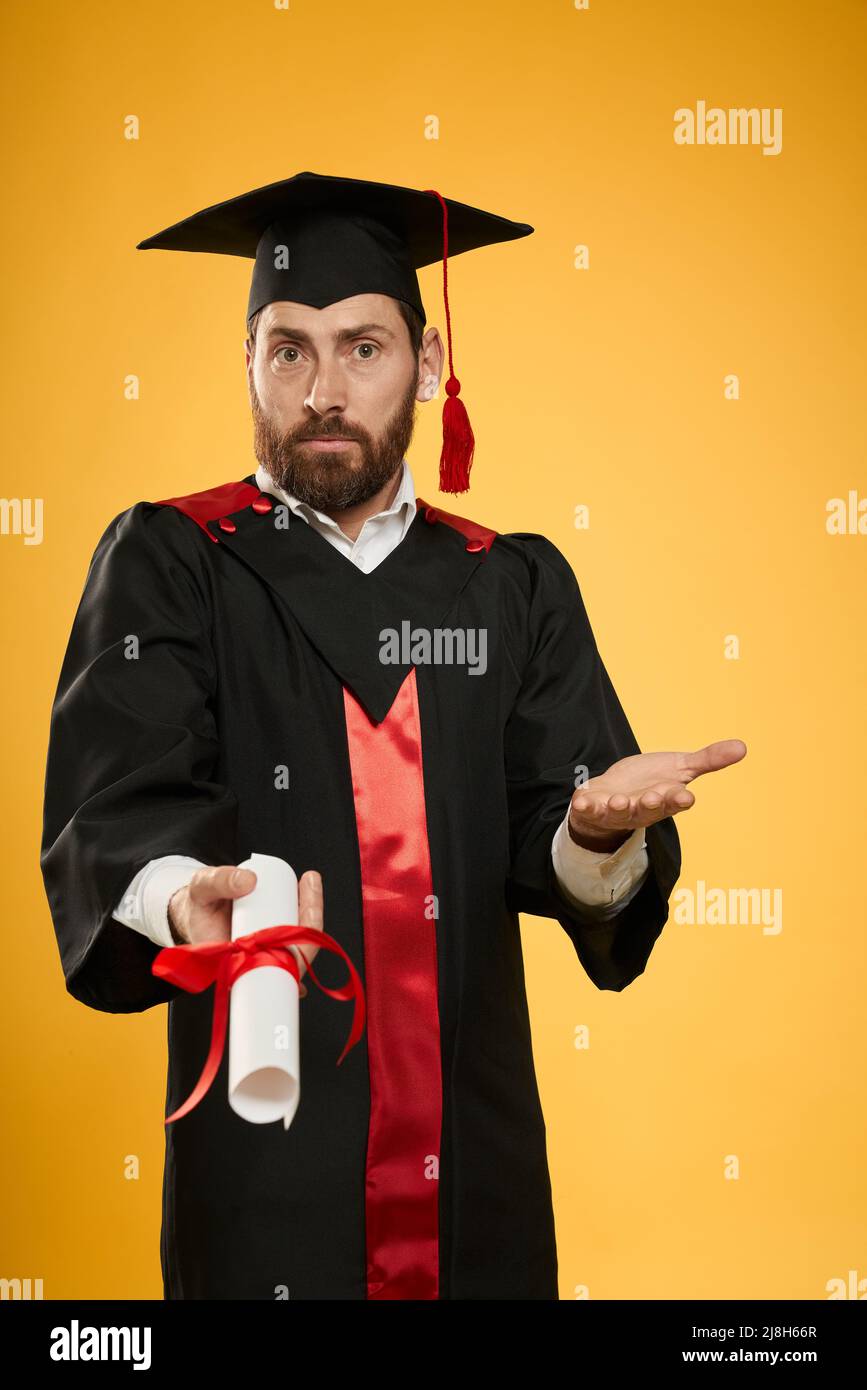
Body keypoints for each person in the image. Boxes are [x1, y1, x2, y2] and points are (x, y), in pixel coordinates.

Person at [40, 172, 746, 1300]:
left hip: (480, 1175)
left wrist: (590, 836)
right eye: (288, 351)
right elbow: (114, 804)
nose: (322, 390)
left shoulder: (508, 584)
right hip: (267, 1173)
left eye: (361, 349)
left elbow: (556, 839)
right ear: (252, 366)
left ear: (425, 363)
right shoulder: (175, 563)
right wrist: (184, 900)